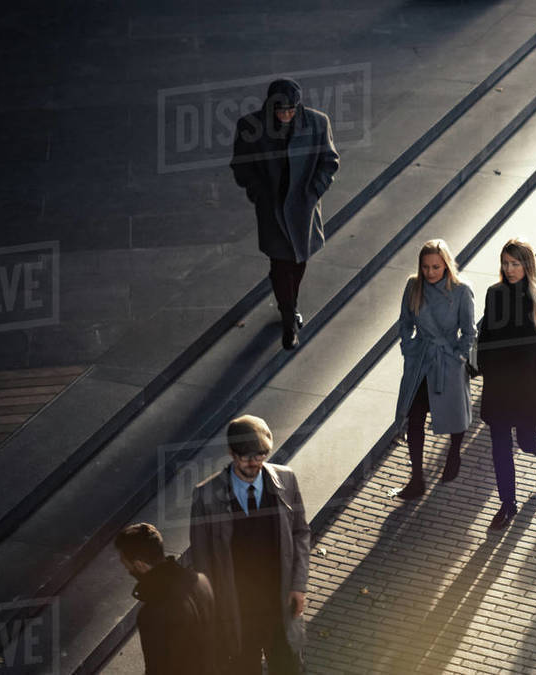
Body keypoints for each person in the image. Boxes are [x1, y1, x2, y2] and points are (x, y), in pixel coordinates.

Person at [190, 415, 311, 674]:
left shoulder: (286, 480)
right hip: (236, 608)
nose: (254, 463)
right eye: (246, 457)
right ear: (231, 453)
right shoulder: (206, 495)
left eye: (261, 455)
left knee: (288, 667)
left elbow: (301, 532)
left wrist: (298, 586)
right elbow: (202, 559)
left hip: (279, 603)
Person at [231, 78, 340, 350]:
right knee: (280, 264)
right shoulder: (250, 127)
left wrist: (314, 191)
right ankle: (289, 320)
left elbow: (329, 161)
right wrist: (258, 193)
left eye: (291, 109)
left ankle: (289, 306)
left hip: (302, 206)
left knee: (298, 261)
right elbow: (241, 166)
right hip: (272, 207)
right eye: (280, 110)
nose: (286, 114)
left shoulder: (317, 123)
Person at [476, 239, 536, 530]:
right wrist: (483, 366)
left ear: (527, 265)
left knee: (526, 441)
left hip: (529, 387)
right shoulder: (494, 294)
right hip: (499, 387)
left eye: (515, 264)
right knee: (500, 448)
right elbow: (486, 335)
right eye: (505, 263)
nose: (510, 269)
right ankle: (507, 504)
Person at [393, 239, 476, 500]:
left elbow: (469, 331)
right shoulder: (413, 286)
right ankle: (416, 478)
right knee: (414, 418)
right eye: (426, 267)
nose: (430, 272)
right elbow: (405, 322)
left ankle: (454, 453)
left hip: (448, 360)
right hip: (421, 361)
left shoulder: (462, 291)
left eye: (436, 267)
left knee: (454, 415)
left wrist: (459, 356)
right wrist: (408, 348)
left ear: (446, 265)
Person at [114, 523, 218, 675]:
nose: (127, 570)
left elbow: (157, 670)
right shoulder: (201, 581)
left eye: (126, 565)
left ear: (140, 565)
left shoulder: (152, 613)